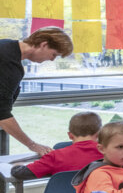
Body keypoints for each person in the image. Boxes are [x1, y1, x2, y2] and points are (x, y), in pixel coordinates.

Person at [0, 27, 73, 156]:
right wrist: (32, 145)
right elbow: (2, 114)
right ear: (43, 44)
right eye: (54, 54)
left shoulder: (6, 46)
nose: (52, 60)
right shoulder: (8, 63)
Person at [10, 111, 102, 181]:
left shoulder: (55, 157)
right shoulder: (109, 153)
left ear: (70, 135)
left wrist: (17, 165)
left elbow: (19, 173)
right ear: (99, 134)